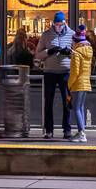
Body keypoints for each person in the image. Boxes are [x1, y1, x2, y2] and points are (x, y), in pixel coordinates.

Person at [35, 11, 75, 140]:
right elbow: (38, 54)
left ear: (64, 23)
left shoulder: (72, 34)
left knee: (67, 101)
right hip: (50, 72)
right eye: (56, 24)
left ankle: (67, 129)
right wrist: (49, 51)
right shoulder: (46, 35)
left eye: (60, 24)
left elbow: (77, 55)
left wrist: (69, 52)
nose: (58, 27)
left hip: (66, 72)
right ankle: (49, 130)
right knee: (48, 101)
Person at [67, 23, 93, 144]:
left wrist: (69, 84)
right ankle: (81, 131)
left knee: (76, 108)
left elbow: (74, 72)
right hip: (86, 83)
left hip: (78, 84)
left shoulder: (76, 54)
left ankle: (82, 133)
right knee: (81, 107)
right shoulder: (88, 52)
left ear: (76, 41)